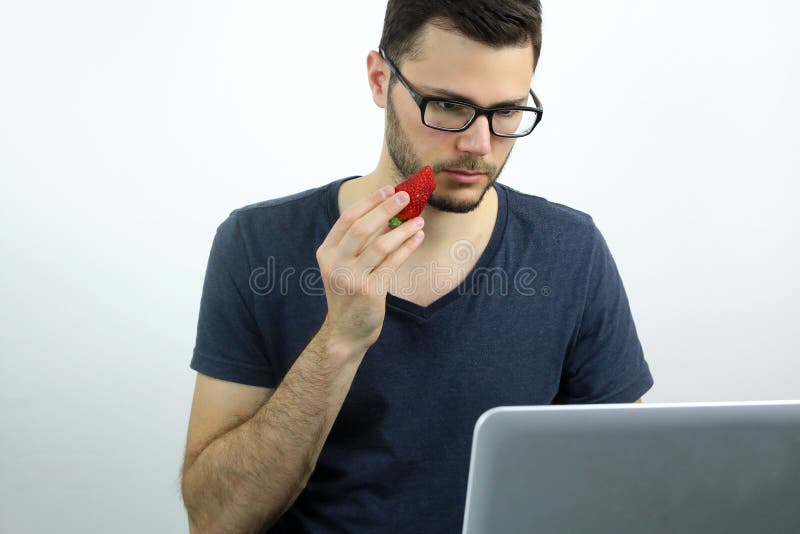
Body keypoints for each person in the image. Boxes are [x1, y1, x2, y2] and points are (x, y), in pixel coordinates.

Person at [180, 1, 654, 532]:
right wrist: (339, 341)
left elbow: (626, 487)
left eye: (507, 111)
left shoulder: (572, 250)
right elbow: (215, 519)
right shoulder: (256, 246)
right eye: (448, 105)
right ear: (380, 81)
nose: (479, 145)